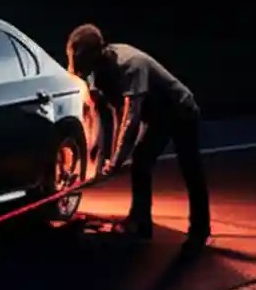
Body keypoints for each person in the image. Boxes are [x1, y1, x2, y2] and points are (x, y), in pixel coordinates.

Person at [66, 24, 211, 250]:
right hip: (157, 116)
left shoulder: (130, 65)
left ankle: (199, 230)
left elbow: (130, 119)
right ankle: (141, 222)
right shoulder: (101, 70)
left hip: (180, 110)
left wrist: (116, 162)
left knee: (190, 168)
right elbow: (113, 115)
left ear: (95, 55)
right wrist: (108, 158)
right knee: (141, 163)